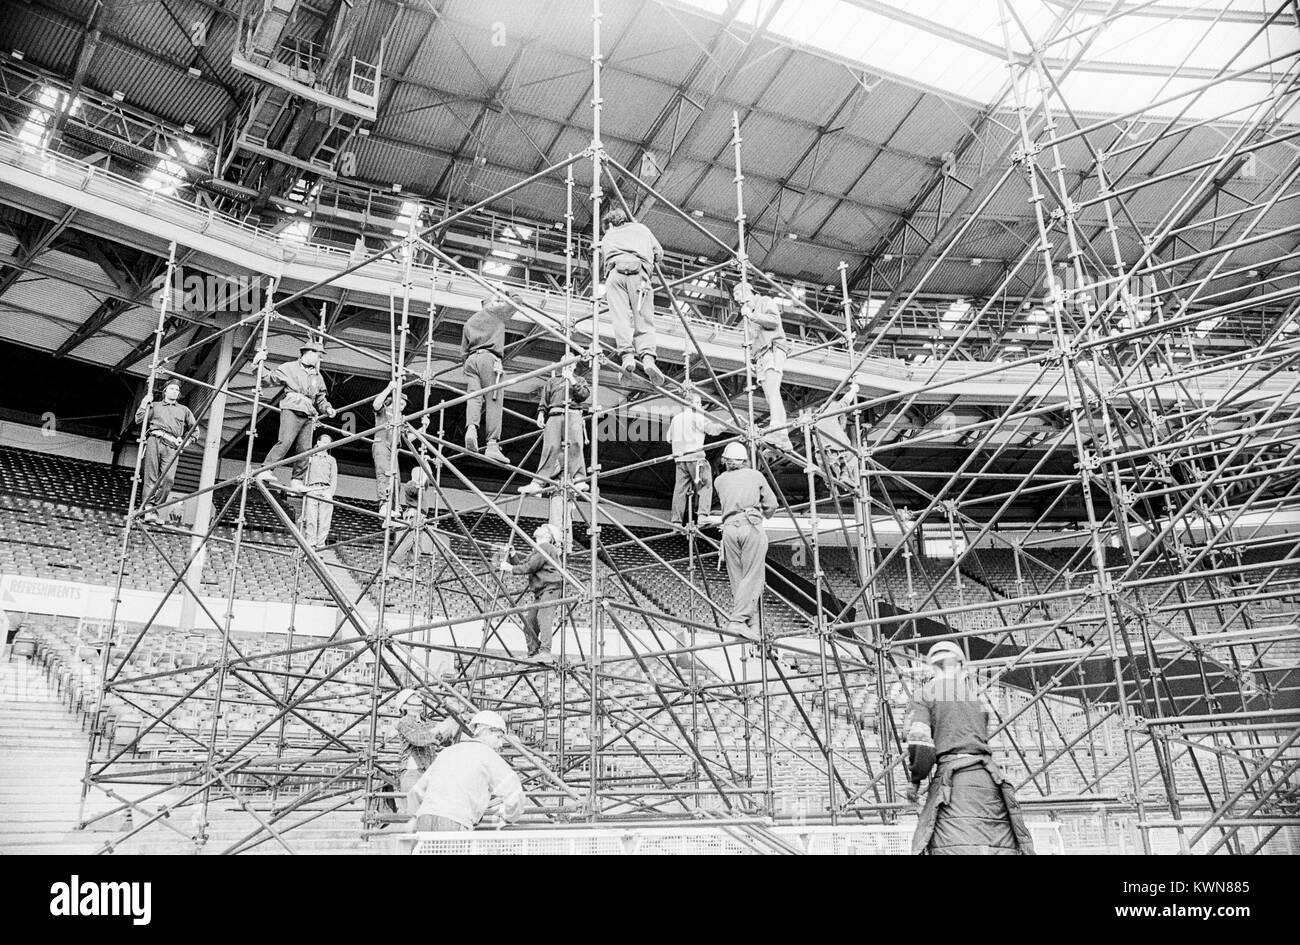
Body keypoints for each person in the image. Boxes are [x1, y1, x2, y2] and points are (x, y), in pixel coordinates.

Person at [906, 640, 1035, 855]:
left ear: (932, 666)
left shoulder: (925, 694)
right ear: (959, 666)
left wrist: (915, 781)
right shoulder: (976, 697)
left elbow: (921, 744)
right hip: (988, 780)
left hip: (953, 784)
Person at [408, 709, 526, 831]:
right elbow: (514, 793)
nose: (500, 744)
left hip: (424, 818)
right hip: (455, 821)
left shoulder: (448, 752)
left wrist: (414, 816)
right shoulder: (488, 755)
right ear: (486, 732)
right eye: (498, 737)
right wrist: (509, 817)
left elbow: (417, 791)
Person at [461, 291, 539, 465]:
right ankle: (492, 445)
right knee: (494, 400)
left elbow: (463, 352)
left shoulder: (469, 322)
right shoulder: (496, 313)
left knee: (474, 398)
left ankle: (471, 429)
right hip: (490, 359)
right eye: (497, 301)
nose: (499, 303)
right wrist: (506, 292)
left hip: (472, 360)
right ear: (491, 304)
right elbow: (518, 301)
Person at [713, 441, 778, 639]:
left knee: (739, 580)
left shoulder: (720, 481)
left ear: (725, 460)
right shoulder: (755, 475)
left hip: (729, 530)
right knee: (754, 577)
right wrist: (765, 513)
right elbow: (772, 504)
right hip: (750, 526)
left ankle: (751, 626)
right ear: (744, 460)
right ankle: (738, 621)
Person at [254, 337, 336, 491]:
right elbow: (267, 379)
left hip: (309, 413)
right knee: (285, 441)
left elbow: (320, 399)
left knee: (305, 449)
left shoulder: (318, 377)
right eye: (318, 354)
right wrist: (258, 364)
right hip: (292, 408)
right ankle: (266, 469)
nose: (320, 358)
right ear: (309, 353)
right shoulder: (289, 368)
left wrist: (327, 408)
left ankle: (297, 480)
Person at [599, 207, 664, 382]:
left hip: (615, 275)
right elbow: (659, 253)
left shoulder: (607, 237)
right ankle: (648, 358)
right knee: (643, 317)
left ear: (611, 223)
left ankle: (627, 357)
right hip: (639, 275)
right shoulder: (642, 229)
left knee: (620, 318)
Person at [734, 283, 792, 451]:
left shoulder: (764, 301)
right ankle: (782, 434)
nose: (736, 297)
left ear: (749, 291)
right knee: (771, 395)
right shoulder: (749, 315)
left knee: (773, 390)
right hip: (761, 354)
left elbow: (774, 321)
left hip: (772, 349)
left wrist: (752, 315)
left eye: (738, 293)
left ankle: (777, 429)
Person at [520, 365, 590, 496]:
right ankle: (539, 482)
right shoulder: (552, 381)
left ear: (574, 366)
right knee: (550, 446)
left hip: (573, 414)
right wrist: (541, 413)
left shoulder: (579, 380)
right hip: (555, 414)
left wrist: (573, 381)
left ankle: (578, 478)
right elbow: (544, 399)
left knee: (576, 445)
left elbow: (584, 395)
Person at [134, 379, 197, 522]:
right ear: (165, 391)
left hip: (172, 445)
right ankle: (149, 509)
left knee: (168, 479)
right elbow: (139, 419)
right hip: (154, 440)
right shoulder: (155, 406)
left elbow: (195, 430)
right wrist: (145, 402)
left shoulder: (184, 410)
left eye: (177, 389)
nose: (175, 391)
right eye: (172, 389)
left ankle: (153, 506)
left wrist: (186, 442)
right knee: (151, 477)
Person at [499, 523, 564, 662]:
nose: (539, 527)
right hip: (542, 591)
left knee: (543, 618)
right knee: (530, 623)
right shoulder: (538, 550)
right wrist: (513, 555)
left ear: (548, 535)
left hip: (550, 588)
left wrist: (510, 568)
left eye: (543, 527)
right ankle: (534, 654)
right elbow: (525, 564)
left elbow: (530, 566)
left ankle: (545, 652)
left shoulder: (546, 547)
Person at [389, 688, 459, 815]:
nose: (419, 700)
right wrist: (441, 727)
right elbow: (418, 739)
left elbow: (444, 740)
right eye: (414, 698)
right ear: (404, 706)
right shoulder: (404, 722)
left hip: (429, 772)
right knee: (414, 814)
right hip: (413, 773)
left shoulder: (427, 723)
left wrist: (454, 723)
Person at [666, 386, 725, 527]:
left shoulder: (676, 419)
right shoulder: (697, 415)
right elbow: (713, 430)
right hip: (695, 457)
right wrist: (727, 425)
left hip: (680, 460)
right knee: (705, 486)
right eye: (699, 403)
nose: (701, 406)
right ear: (693, 403)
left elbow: (669, 438)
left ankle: (676, 521)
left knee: (679, 491)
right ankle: (703, 515)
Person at [812, 379, 861, 492]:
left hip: (821, 457)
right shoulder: (831, 410)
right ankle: (844, 476)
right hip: (834, 454)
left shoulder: (816, 418)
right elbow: (845, 402)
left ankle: (834, 487)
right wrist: (854, 390)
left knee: (831, 480)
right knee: (855, 454)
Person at [371, 380, 415, 505]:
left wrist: (423, 429)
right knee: (385, 473)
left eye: (404, 405)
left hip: (393, 450)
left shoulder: (399, 420)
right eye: (400, 403)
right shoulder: (384, 411)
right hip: (382, 444)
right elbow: (376, 404)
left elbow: (407, 439)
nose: (402, 406)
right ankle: (384, 503)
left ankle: (394, 508)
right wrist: (389, 388)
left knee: (396, 480)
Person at [300, 431, 337, 550]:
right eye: (324, 441)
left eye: (328, 443)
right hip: (312, 488)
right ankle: (311, 542)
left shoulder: (331, 460)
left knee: (325, 520)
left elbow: (334, 478)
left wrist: (330, 493)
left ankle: (320, 544)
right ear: (318, 442)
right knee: (311, 518)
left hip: (325, 489)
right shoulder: (310, 457)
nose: (326, 444)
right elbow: (304, 472)